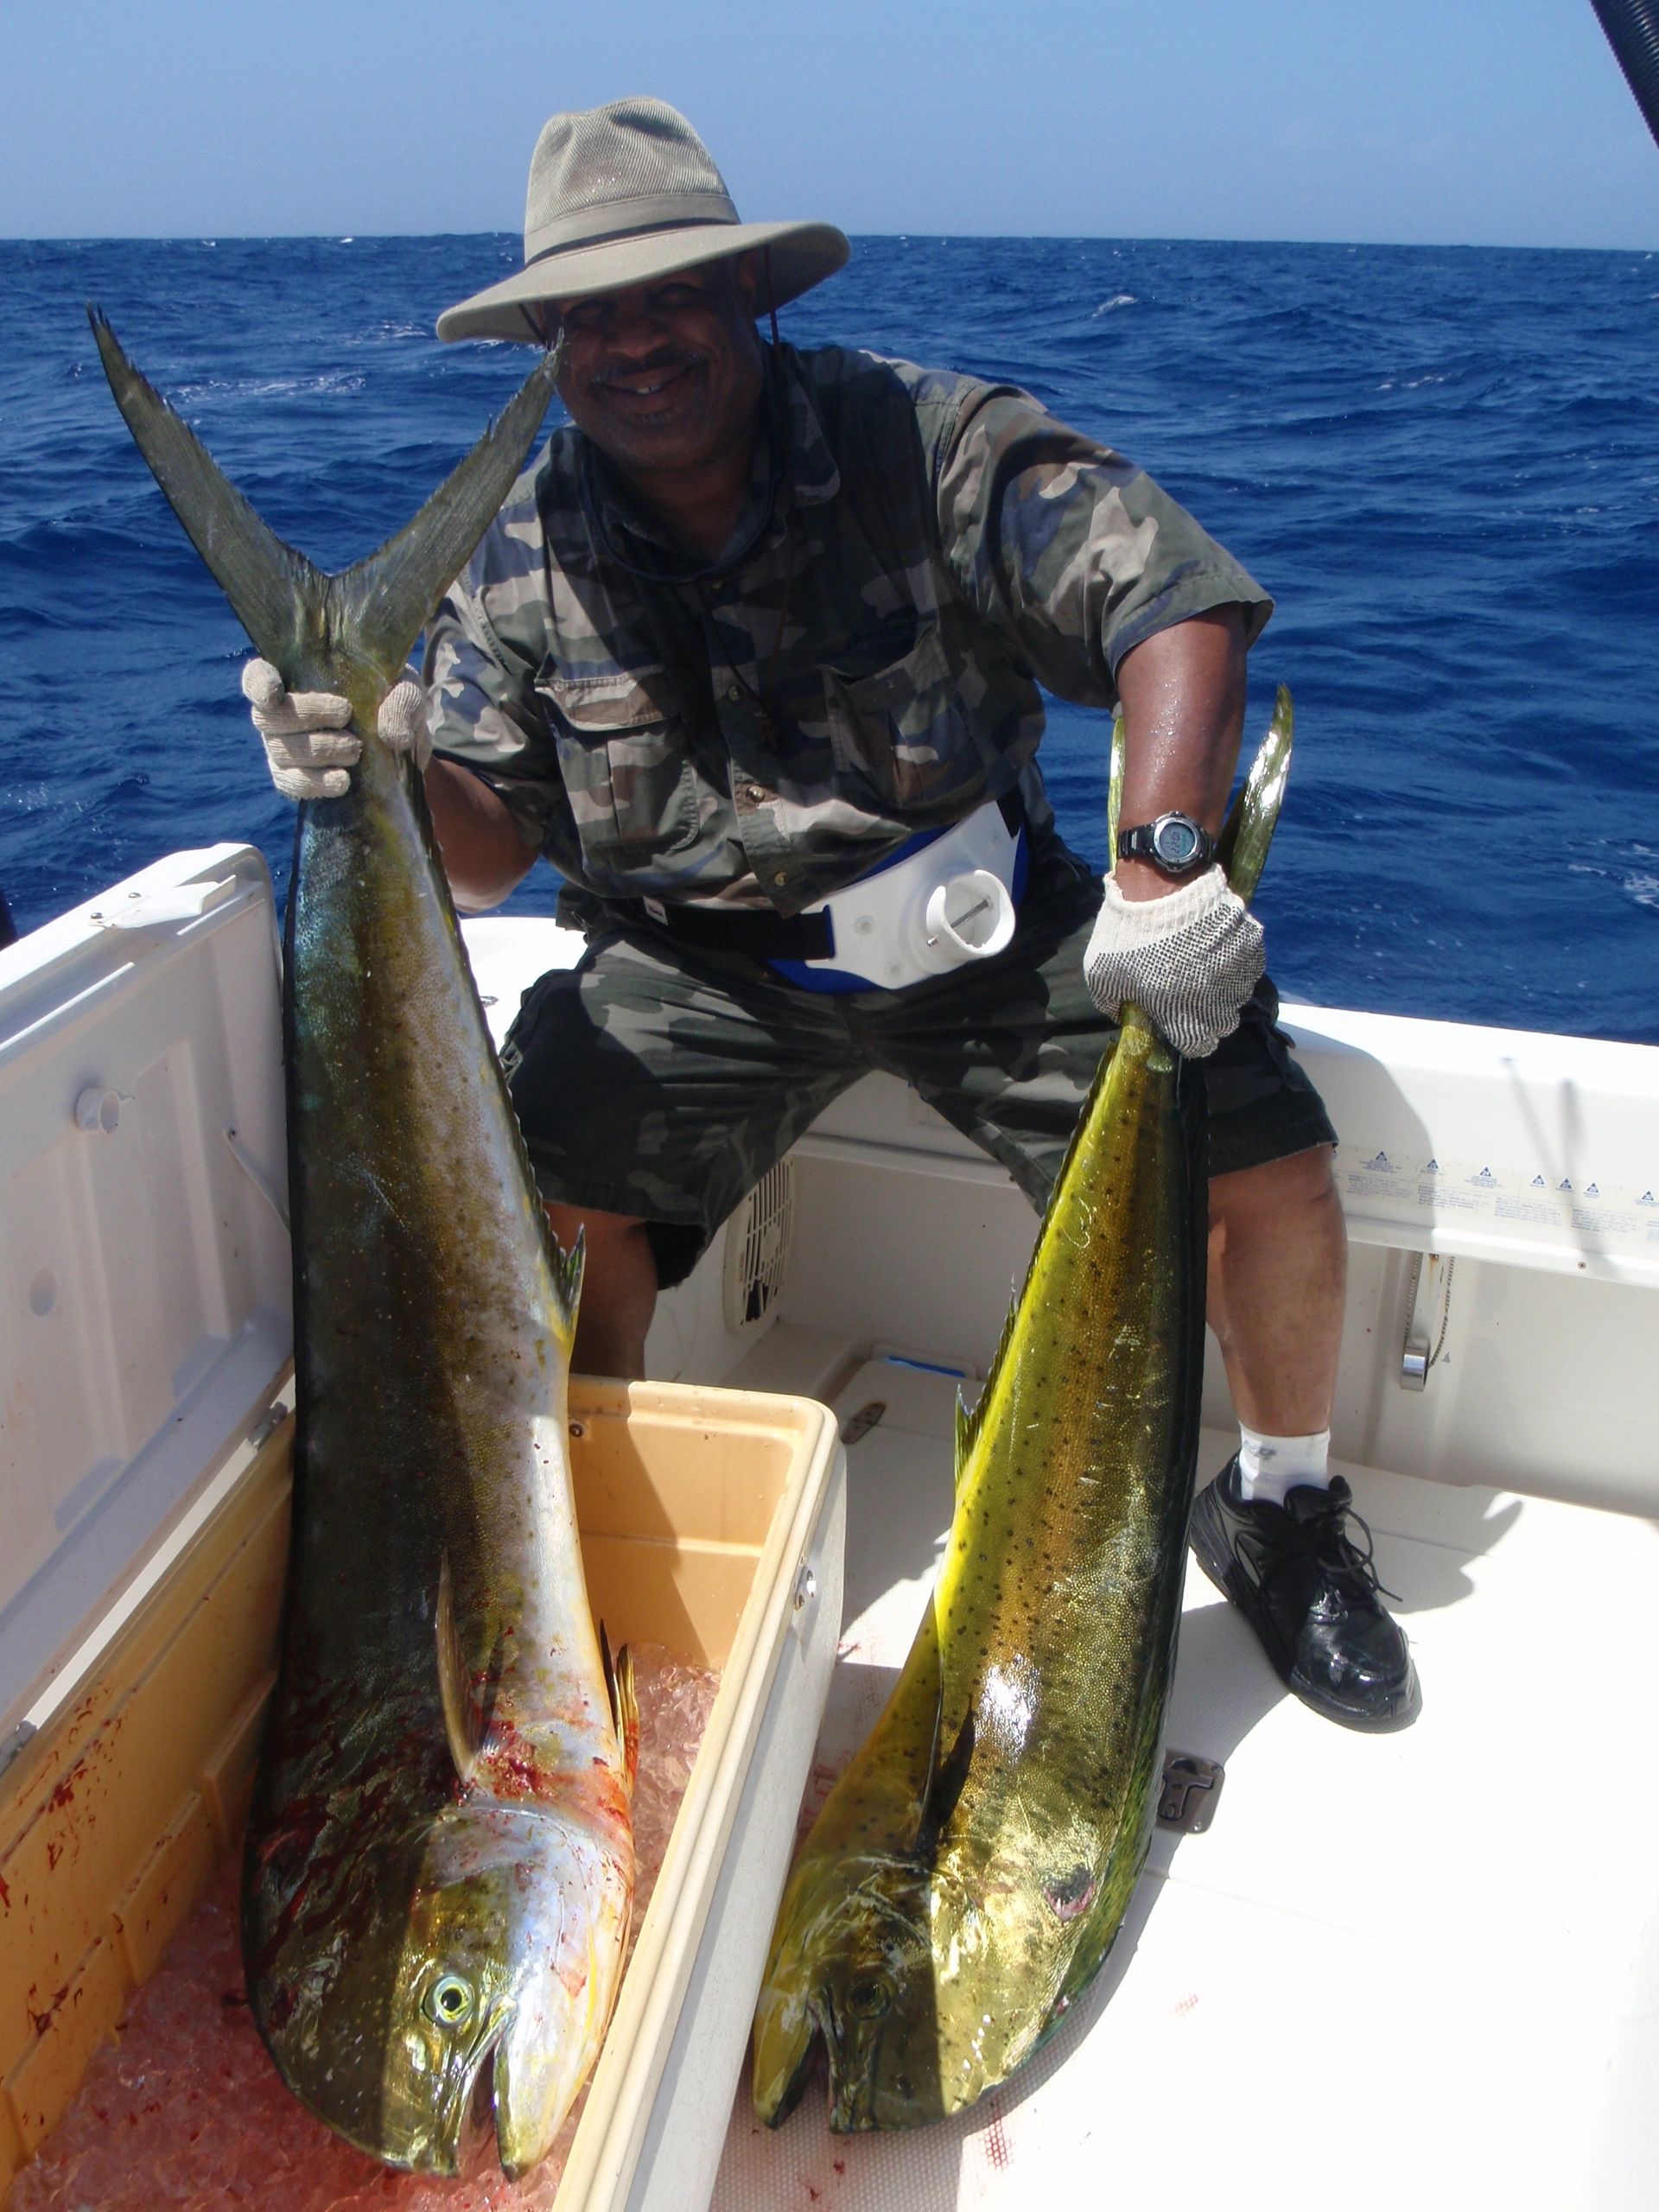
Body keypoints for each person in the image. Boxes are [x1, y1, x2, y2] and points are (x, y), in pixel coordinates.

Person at [245, 98, 1418, 1733]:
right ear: (549, 344)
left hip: (984, 929)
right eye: (591, 314)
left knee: (1262, 1163)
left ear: (752, 301)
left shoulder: (925, 442)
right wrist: (368, 768)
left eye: (671, 298)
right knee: (541, 1242)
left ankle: (1282, 1510)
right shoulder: (514, 555)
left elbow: (1176, 600)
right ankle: (577, 1550)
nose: (633, 343)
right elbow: (487, 857)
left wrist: (1161, 861)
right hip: (690, 968)